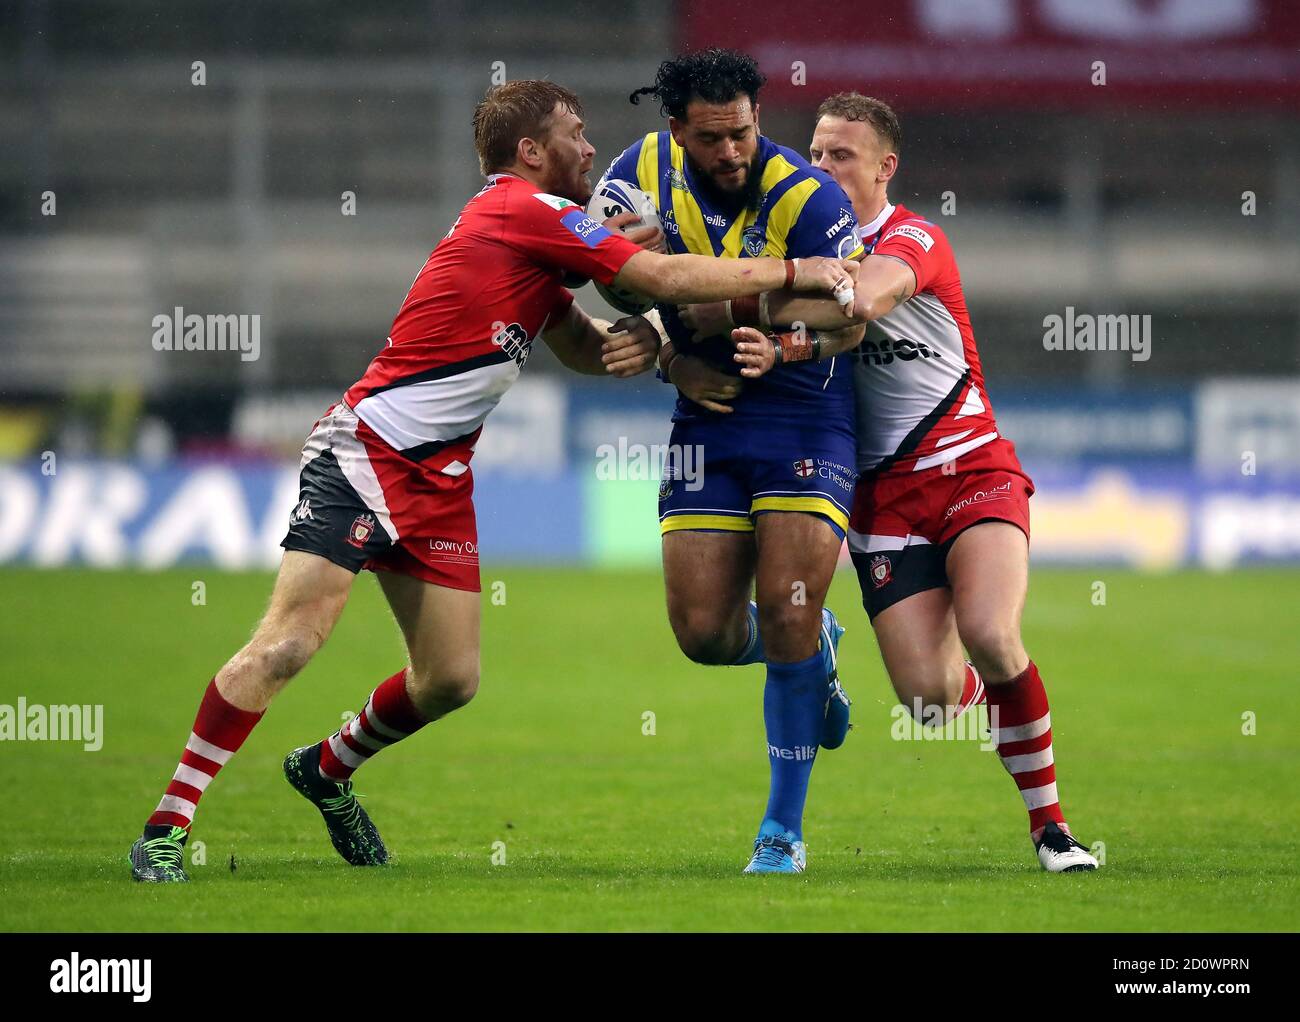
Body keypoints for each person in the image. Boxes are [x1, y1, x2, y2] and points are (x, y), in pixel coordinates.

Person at [127, 79, 856, 882]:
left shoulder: (536, 242)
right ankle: (167, 827)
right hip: (370, 452)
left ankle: (327, 767)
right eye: (575, 134)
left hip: (440, 477)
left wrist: (647, 353)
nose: (590, 148)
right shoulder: (524, 209)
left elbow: (580, 344)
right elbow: (662, 277)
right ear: (532, 152)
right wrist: (797, 269)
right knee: (291, 642)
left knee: (450, 680)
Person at [682, 92, 1097, 872]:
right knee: (928, 703)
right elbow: (789, 327)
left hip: (970, 467)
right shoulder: (795, 240)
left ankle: (1053, 830)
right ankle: (1006, 709)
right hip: (881, 495)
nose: (820, 165)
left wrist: (759, 289)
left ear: (885, 166)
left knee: (990, 632)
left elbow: (867, 298)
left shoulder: (913, 236)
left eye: (841, 153)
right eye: (813, 150)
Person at [602, 49, 866, 874]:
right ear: (675, 130)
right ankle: (815, 646)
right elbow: (614, 285)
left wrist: (769, 332)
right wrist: (671, 355)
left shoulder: (807, 196)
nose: (731, 153)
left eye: (743, 132)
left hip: (803, 413)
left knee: (782, 609)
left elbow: (853, 317)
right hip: (706, 412)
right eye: (712, 138)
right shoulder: (635, 175)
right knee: (704, 634)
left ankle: (780, 836)